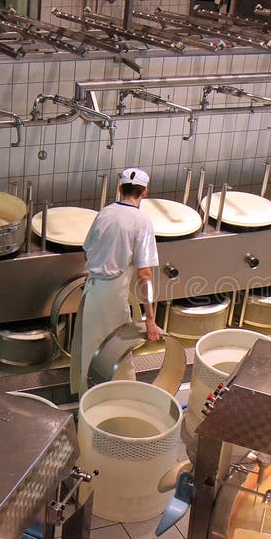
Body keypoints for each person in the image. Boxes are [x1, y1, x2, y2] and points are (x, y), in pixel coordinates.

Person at [70, 167, 162, 395]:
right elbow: (145, 275)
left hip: (92, 291)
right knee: (116, 356)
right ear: (145, 191)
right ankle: (118, 403)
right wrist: (150, 320)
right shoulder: (142, 221)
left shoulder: (104, 213)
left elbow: (87, 253)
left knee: (91, 352)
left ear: (120, 188)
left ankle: (89, 402)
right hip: (113, 298)